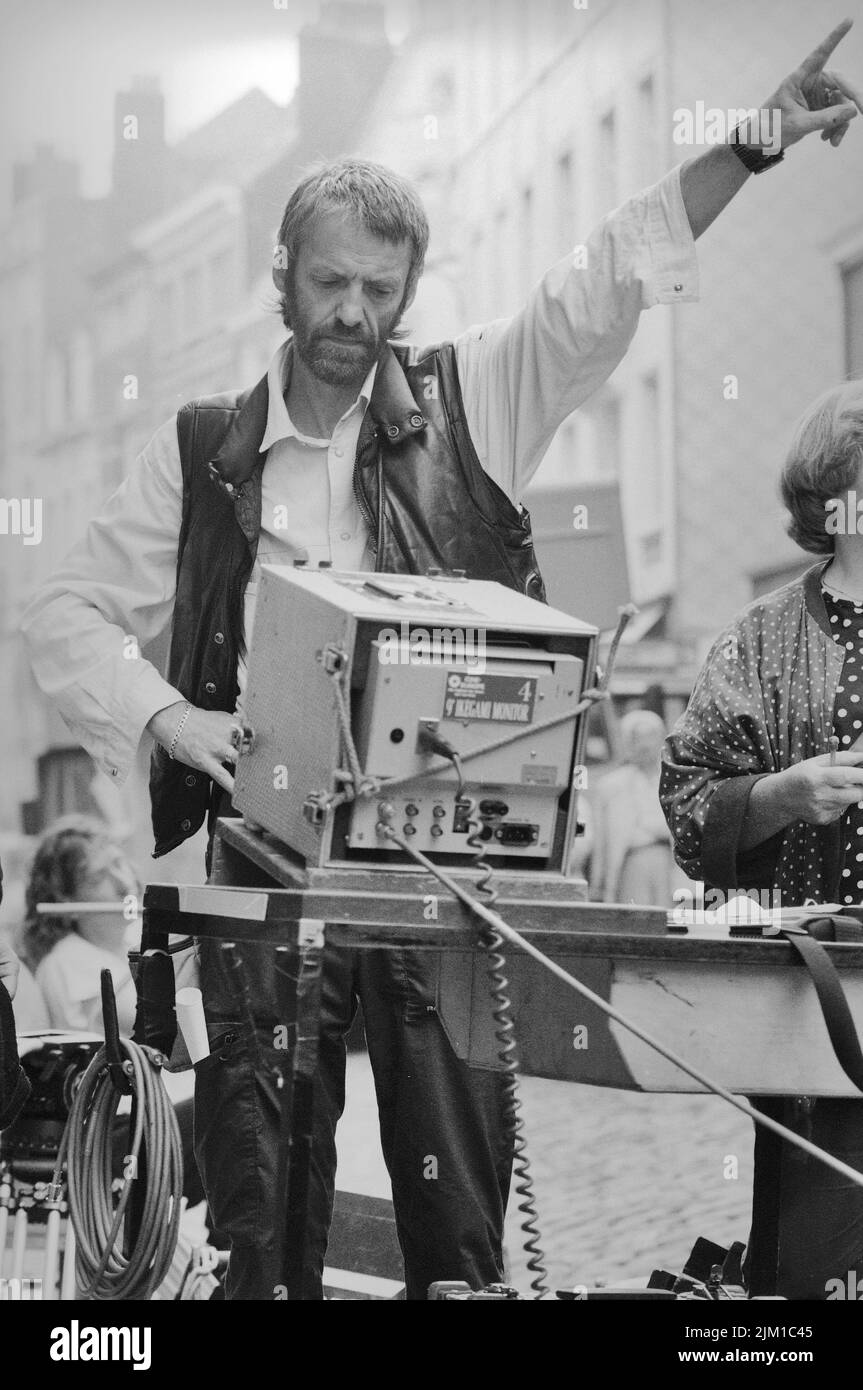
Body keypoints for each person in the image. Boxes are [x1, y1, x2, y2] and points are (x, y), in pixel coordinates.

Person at [21, 26, 863, 1300]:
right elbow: (64, 612)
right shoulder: (199, 453)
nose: (353, 314)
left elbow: (603, 282)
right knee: (265, 1224)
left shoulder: (470, 400)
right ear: (281, 278)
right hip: (256, 877)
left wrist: (744, 144)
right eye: (329, 284)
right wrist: (166, 721)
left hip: (444, 881)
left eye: (379, 289)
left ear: (406, 291)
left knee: (457, 1239)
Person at [660, 378, 863, 1299]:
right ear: (837, 498)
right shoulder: (759, 638)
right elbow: (687, 801)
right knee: (819, 1251)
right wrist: (781, 794)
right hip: (818, 1006)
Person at [18, 816, 140, 1036]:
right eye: (98, 877)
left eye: (119, 863)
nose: (124, 883)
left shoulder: (135, 935)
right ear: (66, 901)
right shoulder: (66, 961)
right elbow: (150, 1022)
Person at [591, 709, 676, 905]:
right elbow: (601, 842)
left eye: (651, 736)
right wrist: (597, 884)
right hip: (629, 862)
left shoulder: (676, 783)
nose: (644, 745)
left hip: (669, 864)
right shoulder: (610, 785)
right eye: (637, 738)